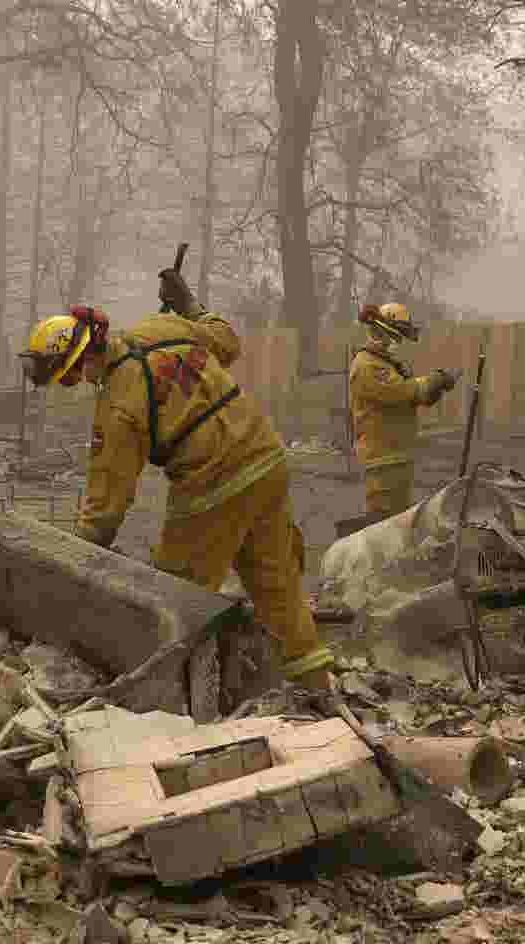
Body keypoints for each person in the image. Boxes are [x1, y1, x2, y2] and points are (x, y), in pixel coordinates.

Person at [19, 267, 334, 691]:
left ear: (78, 363)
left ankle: (170, 699)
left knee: (170, 600)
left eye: (70, 377)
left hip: (213, 483)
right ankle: (316, 687)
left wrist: (68, 560)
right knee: (277, 587)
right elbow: (227, 341)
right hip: (266, 460)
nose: (76, 385)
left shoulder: (117, 404)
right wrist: (190, 305)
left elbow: (106, 505)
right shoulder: (161, 327)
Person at [348, 303, 461, 517]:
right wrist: (435, 380)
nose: (398, 343)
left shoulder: (386, 365)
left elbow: (415, 397)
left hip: (396, 456)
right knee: (383, 525)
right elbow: (403, 391)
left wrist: (437, 388)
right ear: (380, 332)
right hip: (382, 458)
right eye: (396, 337)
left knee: (398, 523)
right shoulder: (368, 366)